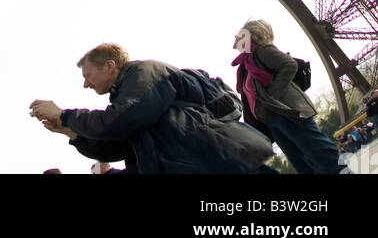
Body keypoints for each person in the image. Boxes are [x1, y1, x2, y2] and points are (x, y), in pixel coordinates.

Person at [30, 42, 276, 174]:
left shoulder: (145, 73)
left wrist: (66, 115)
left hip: (213, 162)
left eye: (87, 74)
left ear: (109, 65)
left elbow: (121, 121)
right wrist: (69, 131)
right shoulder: (129, 102)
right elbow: (116, 148)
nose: (85, 84)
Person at [231, 19, 347, 174]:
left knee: (319, 152)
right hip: (274, 120)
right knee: (301, 161)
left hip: (288, 112)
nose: (235, 38)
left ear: (250, 35)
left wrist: (272, 98)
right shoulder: (246, 65)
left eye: (238, 35)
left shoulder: (262, 51)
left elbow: (289, 65)